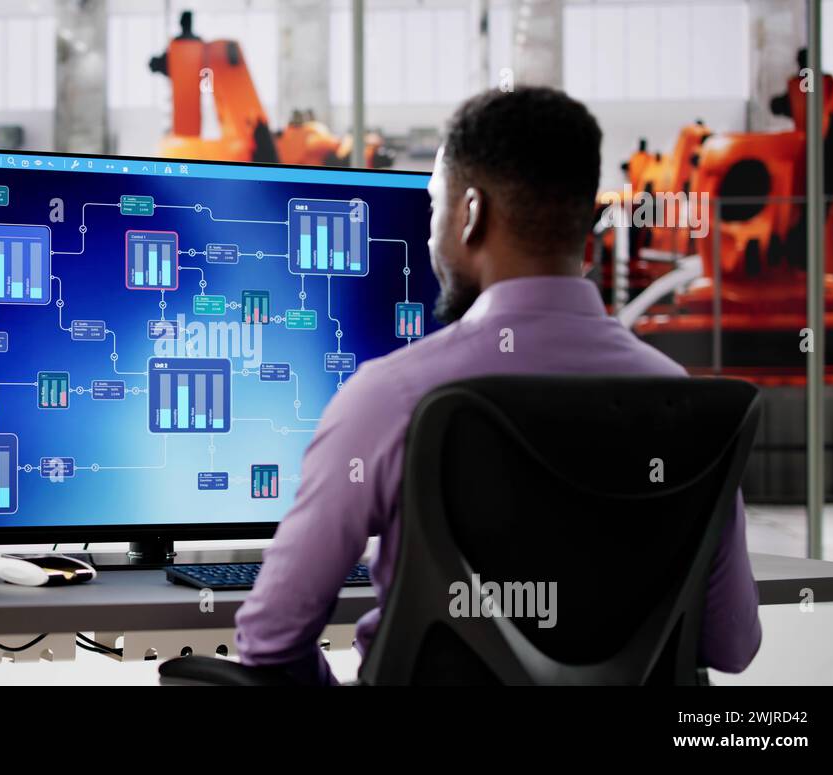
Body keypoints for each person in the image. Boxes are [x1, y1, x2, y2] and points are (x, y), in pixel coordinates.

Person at [234, 87, 762, 685]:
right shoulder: (683, 404)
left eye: (435, 208)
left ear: (471, 213)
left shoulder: (391, 399)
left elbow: (271, 639)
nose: (431, 239)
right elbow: (732, 644)